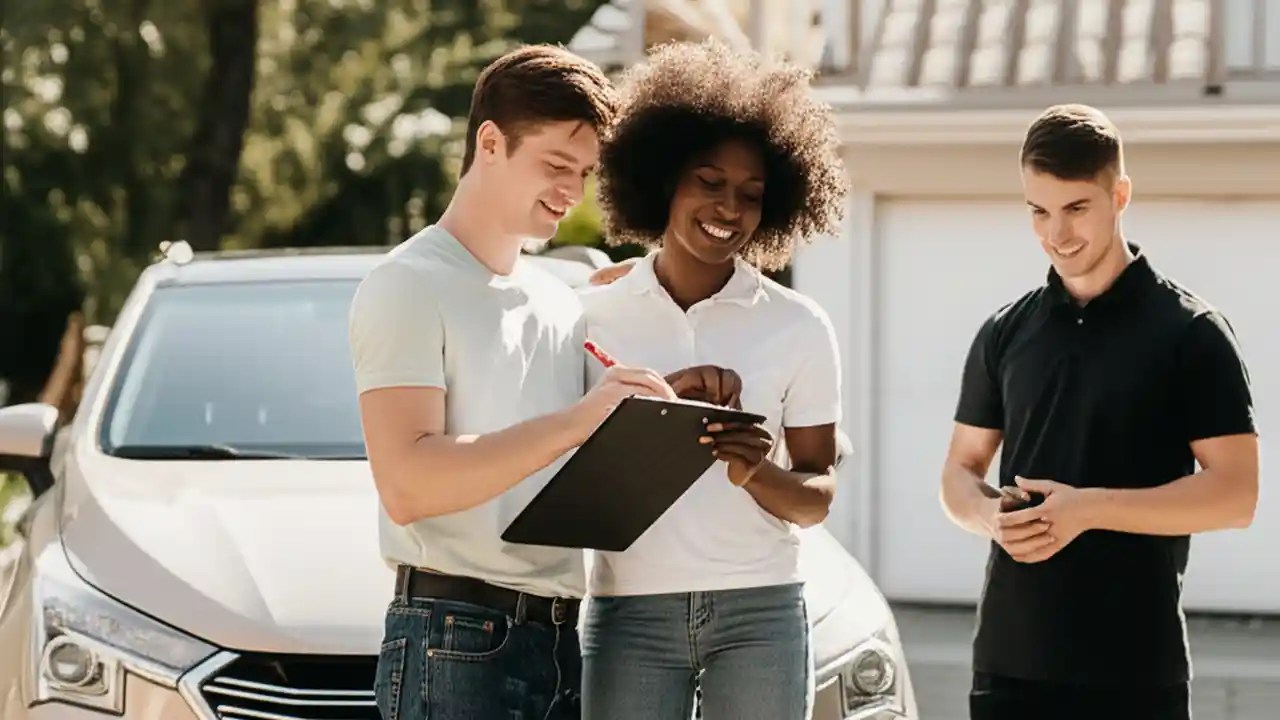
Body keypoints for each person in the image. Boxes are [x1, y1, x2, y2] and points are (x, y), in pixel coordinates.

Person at [348, 45, 740, 720]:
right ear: (491, 143)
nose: (572, 190)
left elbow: (562, 451)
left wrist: (660, 408)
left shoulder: (558, 300)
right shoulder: (407, 285)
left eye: (585, 172)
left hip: (561, 641)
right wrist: (581, 419)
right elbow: (408, 484)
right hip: (453, 639)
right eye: (557, 165)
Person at [939, 104, 1260, 720]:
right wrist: (986, 515)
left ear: (1120, 195)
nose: (1056, 234)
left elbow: (1236, 495)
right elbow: (959, 470)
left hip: (1135, 674)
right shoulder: (1005, 331)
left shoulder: (1191, 334)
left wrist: (1088, 509)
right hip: (1010, 668)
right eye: (1039, 211)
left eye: (1076, 209)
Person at [576, 39, 850, 719]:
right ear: (663, 177)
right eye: (709, 181)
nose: (730, 207)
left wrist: (758, 471)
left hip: (761, 611)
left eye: (752, 194)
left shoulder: (798, 324)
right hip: (628, 609)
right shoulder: (591, 316)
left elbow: (816, 497)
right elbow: (564, 478)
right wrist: (657, 412)